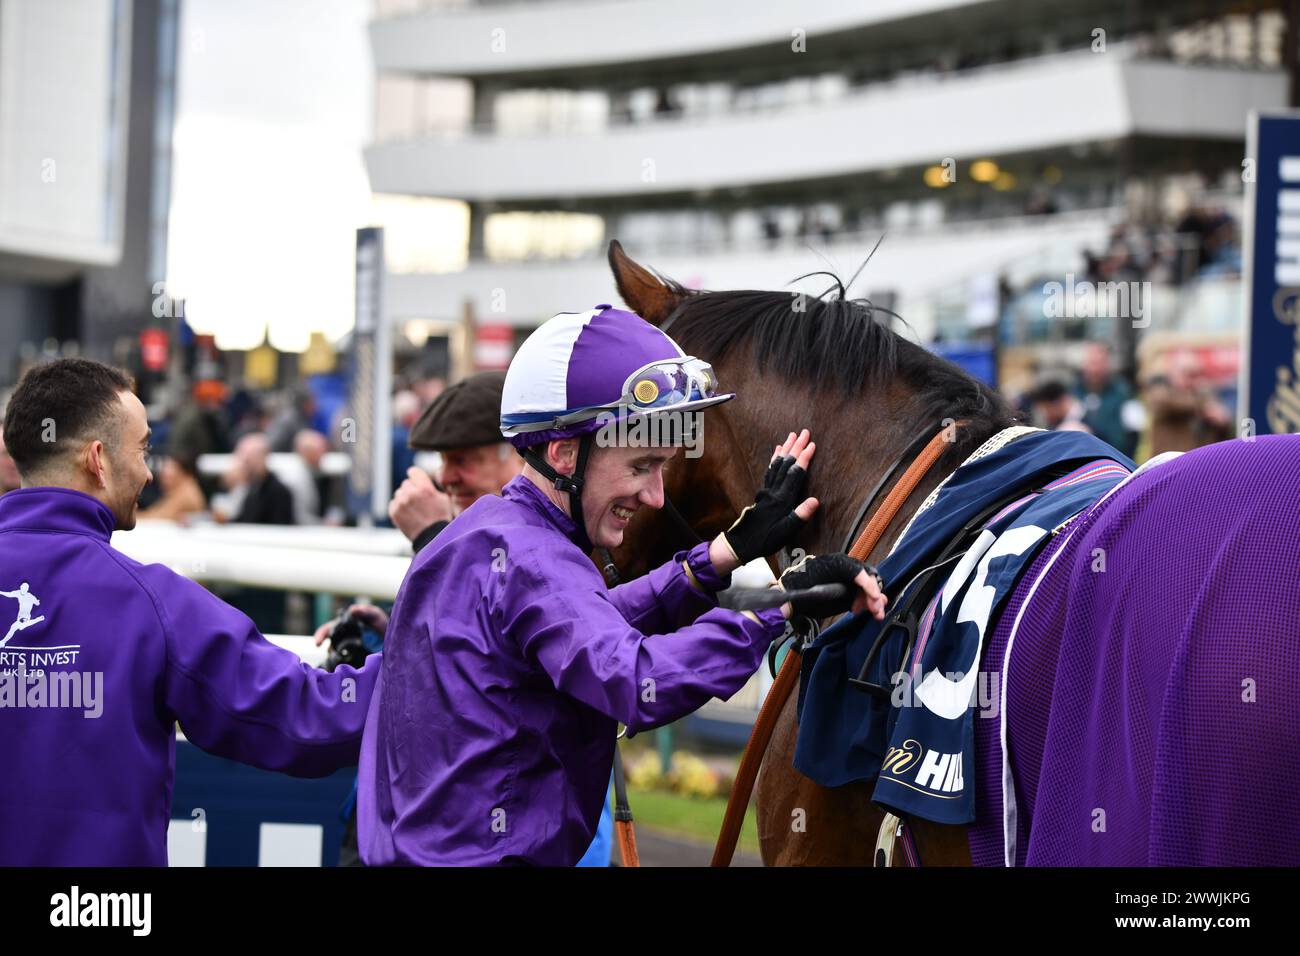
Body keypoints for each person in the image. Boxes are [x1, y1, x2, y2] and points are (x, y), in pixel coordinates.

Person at [356, 304, 886, 865]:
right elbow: (633, 678)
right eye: (640, 466)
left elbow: (585, 621)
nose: (656, 495)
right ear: (564, 452)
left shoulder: (488, 534)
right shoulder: (536, 558)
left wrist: (723, 554)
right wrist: (775, 610)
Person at [0, 359, 381, 865]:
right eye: (142, 449)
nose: (149, 470)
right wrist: (428, 654)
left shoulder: (150, 602)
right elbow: (310, 717)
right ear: (98, 460)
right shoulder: (148, 602)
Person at [138, 456, 206, 522]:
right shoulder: (180, 490)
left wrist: (132, 517)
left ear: (183, 472)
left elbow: (158, 518)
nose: (162, 476)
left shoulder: (186, 493)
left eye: (170, 468)